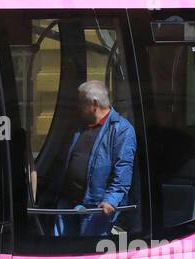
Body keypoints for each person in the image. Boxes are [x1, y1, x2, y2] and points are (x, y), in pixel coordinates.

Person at [53, 80, 137, 238]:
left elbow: (123, 171)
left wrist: (110, 201)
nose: (79, 107)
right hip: (67, 204)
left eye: (81, 103)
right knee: (60, 255)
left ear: (94, 104)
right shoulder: (80, 126)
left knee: (86, 255)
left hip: (95, 209)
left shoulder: (121, 130)